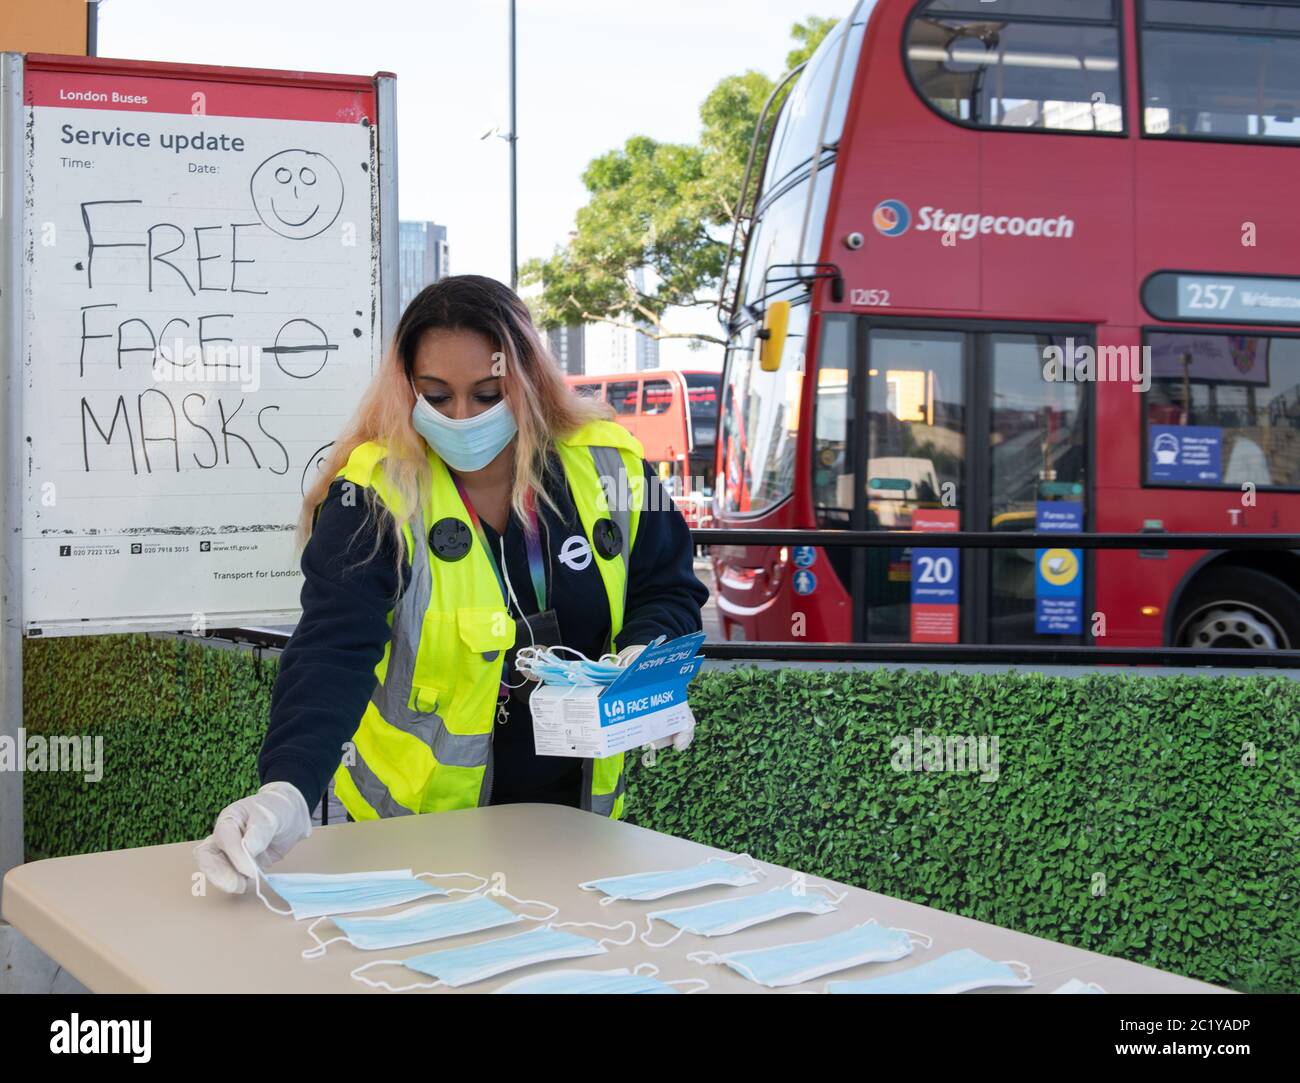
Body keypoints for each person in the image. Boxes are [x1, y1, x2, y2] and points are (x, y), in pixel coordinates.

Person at [194, 275, 709, 894]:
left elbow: (669, 589)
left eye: (488, 393)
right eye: (435, 395)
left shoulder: (614, 463)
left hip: (578, 828)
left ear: (527, 380)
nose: (461, 418)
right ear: (406, 388)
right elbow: (334, 647)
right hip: (417, 839)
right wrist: (287, 789)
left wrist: (646, 663)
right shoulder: (374, 491)